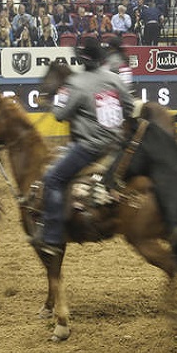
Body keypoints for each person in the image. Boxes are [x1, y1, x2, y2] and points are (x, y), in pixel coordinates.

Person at [33, 38, 134, 256]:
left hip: (90, 147)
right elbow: (129, 106)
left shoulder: (76, 83)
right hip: (116, 146)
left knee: (53, 178)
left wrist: (58, 98)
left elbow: (59, 115)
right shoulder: (114, 78)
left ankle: (51, 236)